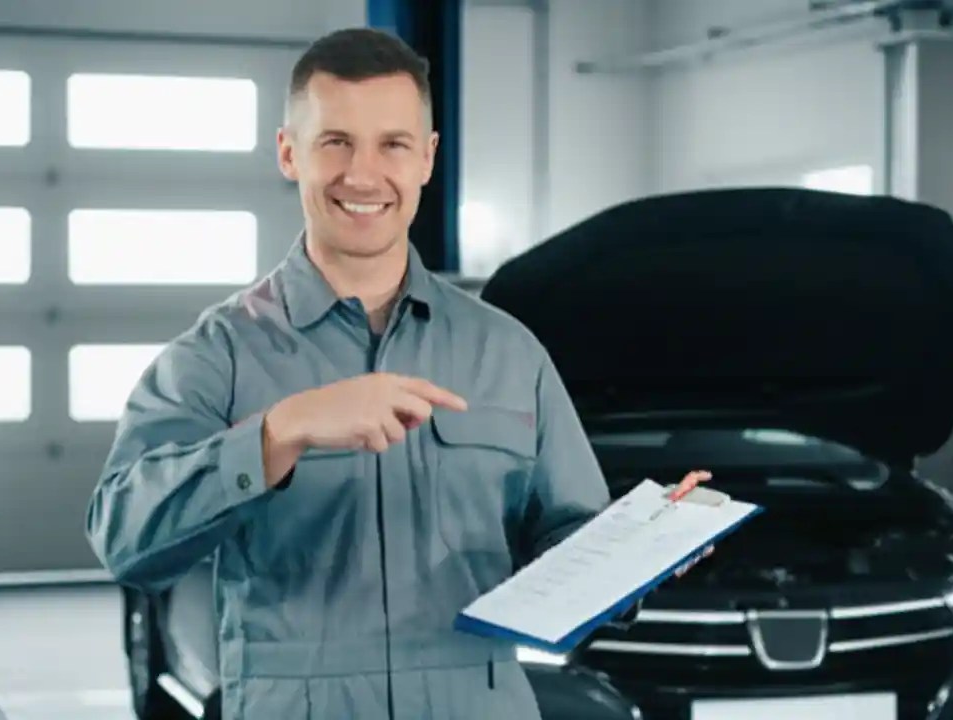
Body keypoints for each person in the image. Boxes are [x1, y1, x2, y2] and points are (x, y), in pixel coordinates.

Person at [85, 26, 710, 720]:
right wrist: (281, 431)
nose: (363, 174)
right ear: (289, 152)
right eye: (335, 142)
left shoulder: (508, 353)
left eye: (392, 144)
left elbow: (565, 543)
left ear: (427, 159)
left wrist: (636, 552)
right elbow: (125, 539)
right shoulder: (217, 356)